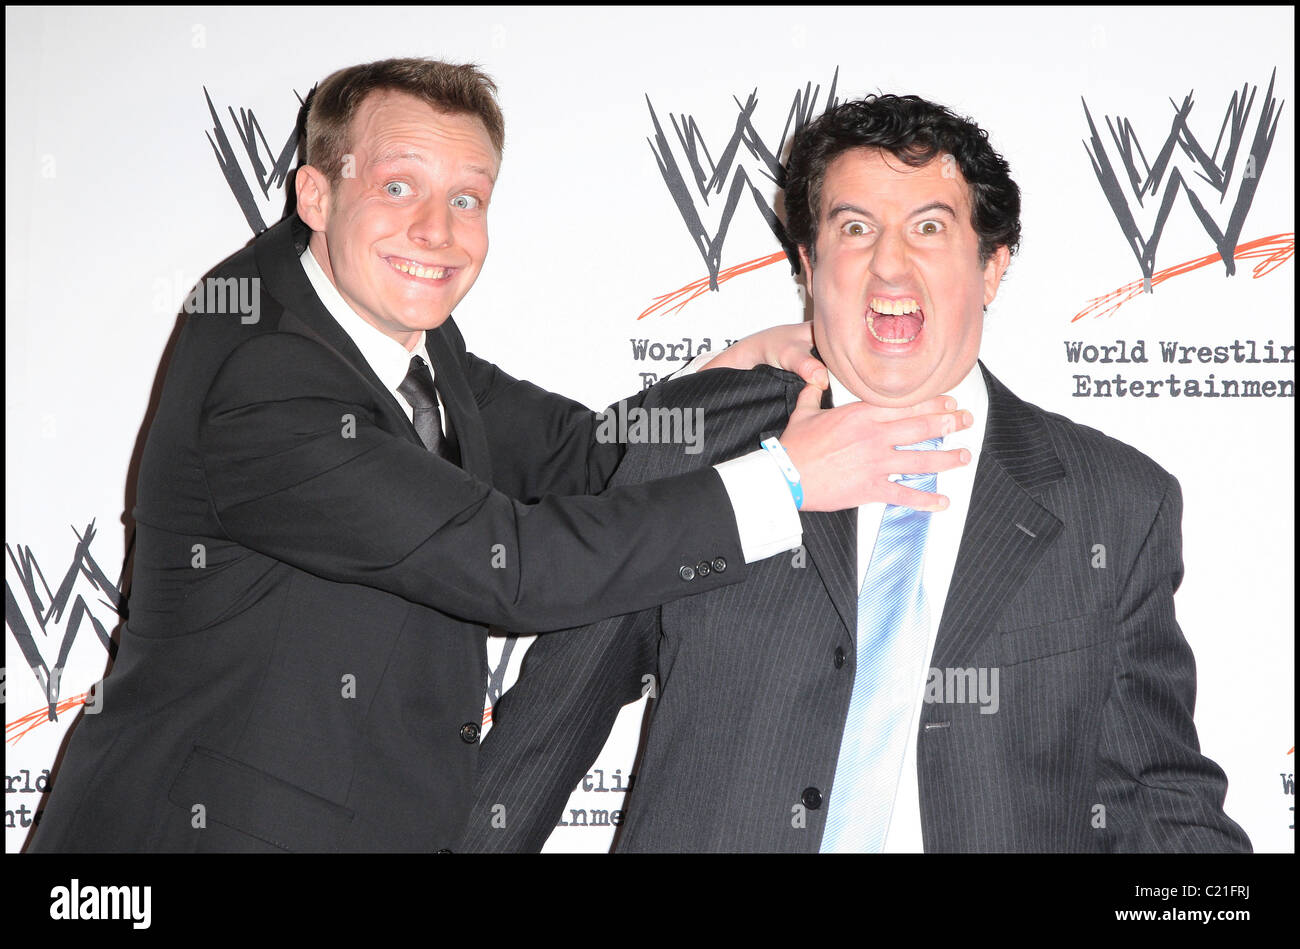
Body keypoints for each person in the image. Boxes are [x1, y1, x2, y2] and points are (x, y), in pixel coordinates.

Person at [24, 61, 972, 853]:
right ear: (315, 191)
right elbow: (513, 568)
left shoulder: (381, 311)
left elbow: (575, 453)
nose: (436, 232)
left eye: (465, 199)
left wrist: (725, 373)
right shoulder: (268, 376)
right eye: (398, 187)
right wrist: (787, 482)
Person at [459, 94, 1252, 853]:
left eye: (930, 227)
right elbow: (538, 746)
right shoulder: (693, 455)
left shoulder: (1113, 503)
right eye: (855, 227)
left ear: (993, 267)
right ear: (808, 263)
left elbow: (1158, 794)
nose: (889, 265)